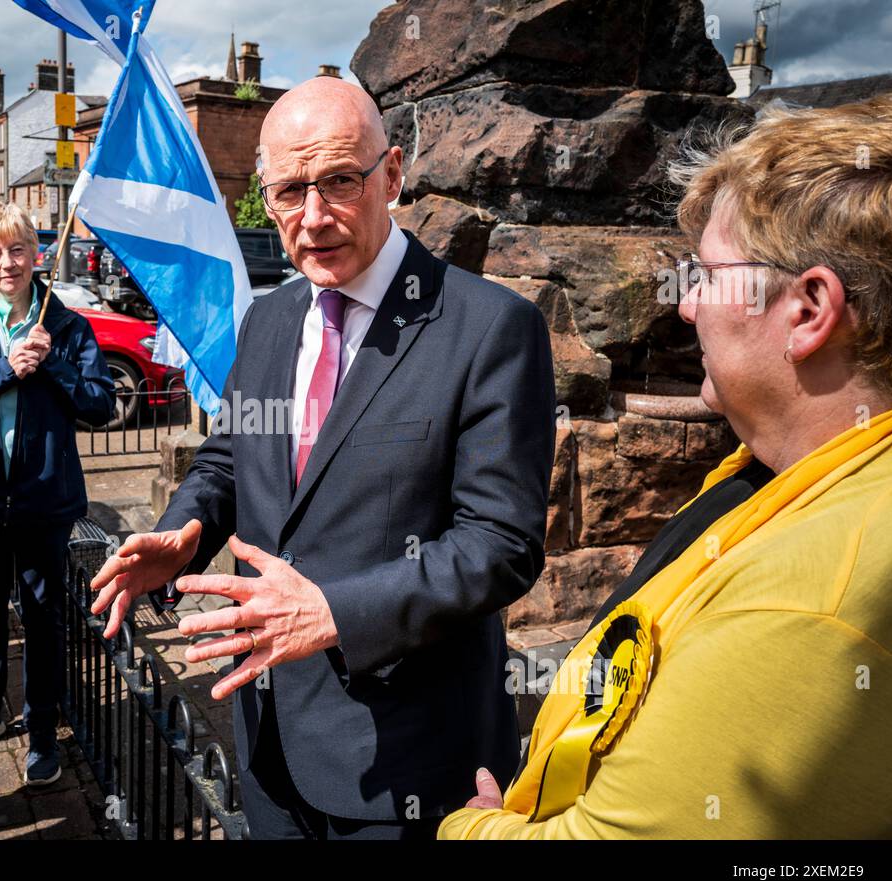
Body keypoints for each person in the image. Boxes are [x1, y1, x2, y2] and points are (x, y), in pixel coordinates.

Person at [90, 77, 556, 839]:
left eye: (340, 181)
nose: (313, 217)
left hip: (408, 765)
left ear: (393, 174)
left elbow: (500, 546)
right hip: (271, 742)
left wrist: (336, 612)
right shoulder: (268, 320)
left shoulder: (490, 327)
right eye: (288, 191)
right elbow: (227, 461)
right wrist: (183, 532)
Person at [441, 93, 892, 839]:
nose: (687, 307)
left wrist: (471, 830)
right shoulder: (792, 465)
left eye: (709, 274)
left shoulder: (815, 606)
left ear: (810, 309)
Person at [0, 200, 113, 785]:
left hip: (43, 497)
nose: (7, 263)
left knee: (43, 615)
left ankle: (40, 728)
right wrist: (3, 370)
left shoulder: (67, 323)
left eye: (17, 250)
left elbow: (101, 405)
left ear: (37, 255)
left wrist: (51, 366)